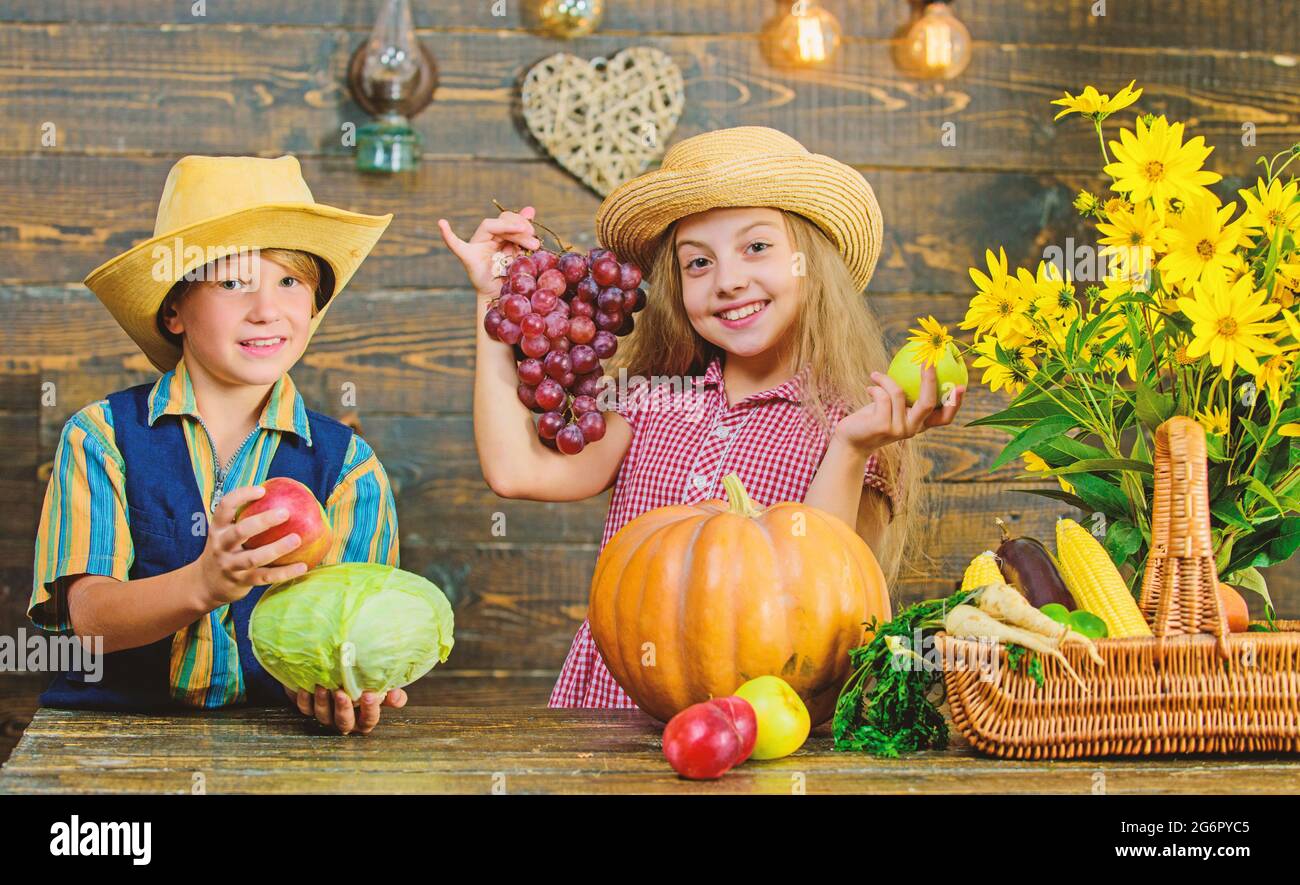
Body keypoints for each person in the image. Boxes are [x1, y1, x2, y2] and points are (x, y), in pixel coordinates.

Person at [439, 126, 967, 708]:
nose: (729, 280)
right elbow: (517, 472)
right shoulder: (654, 400)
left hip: (753, 720)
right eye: (698, 263)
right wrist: (495, 301)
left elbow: (821, 602)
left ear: (810, 264)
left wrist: (848, 448)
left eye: (757, 248)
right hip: (612, 720)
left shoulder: (853, 422)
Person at [30, 154, 405, 734]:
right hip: (112, 741)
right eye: (232, 282)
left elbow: (352, 627)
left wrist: (342, 683)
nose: (267, 310)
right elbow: (90, 620)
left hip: (281, 747)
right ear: (174, 309)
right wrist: (203, 584)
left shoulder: (349, 469)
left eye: (289, 282)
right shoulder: (101, 437)